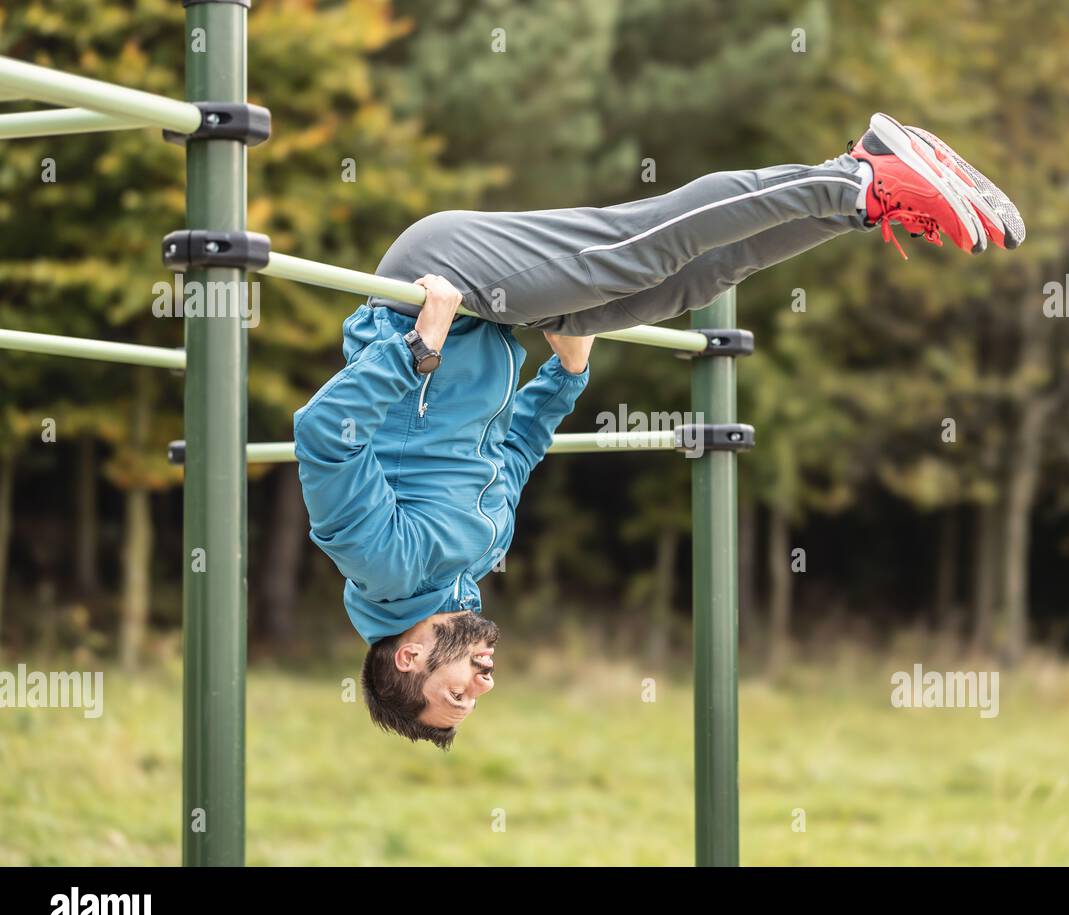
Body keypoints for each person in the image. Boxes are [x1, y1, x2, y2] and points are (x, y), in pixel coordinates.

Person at [292, 113, 1025, 749]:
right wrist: (566, 379)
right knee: (686, 285)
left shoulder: (379, 562)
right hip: (492, 319)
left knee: (638, 248)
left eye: (455, 695)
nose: (479, 688)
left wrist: (415, 347)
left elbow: (326, 433)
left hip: (437, 280)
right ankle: (867, 204)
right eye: (471, 703)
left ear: (409, 658)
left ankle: (855, 176)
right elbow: (507, 456)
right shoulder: (463, 570)